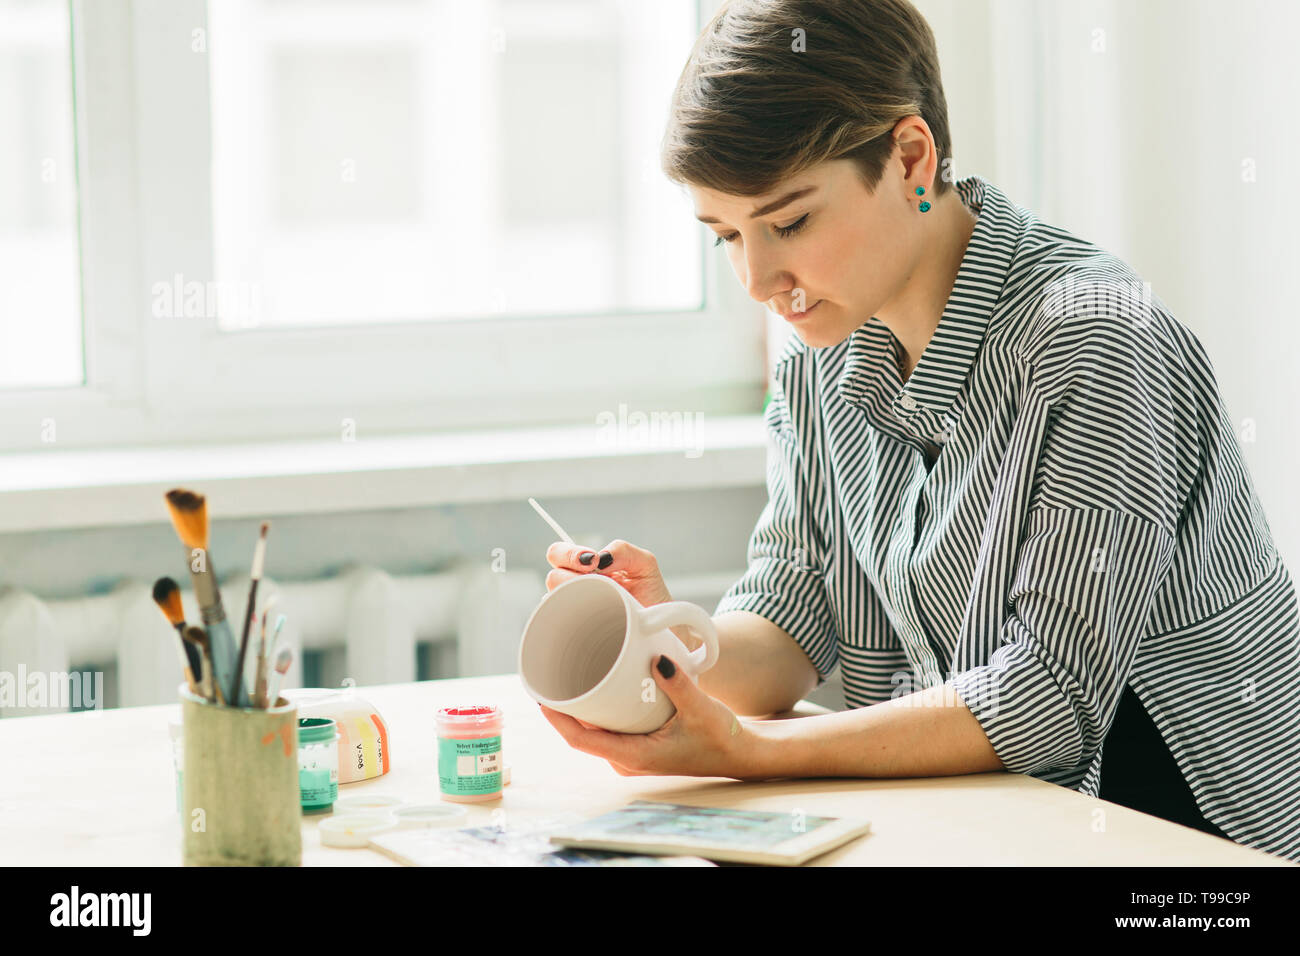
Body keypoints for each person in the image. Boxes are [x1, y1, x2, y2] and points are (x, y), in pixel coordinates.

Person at [540, 0, 1300, 862]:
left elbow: (1048, 698)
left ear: (910, 157)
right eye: (727, 237)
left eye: (788, 222)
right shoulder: (821, 360)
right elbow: (794, 617)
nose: (758, 279)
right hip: (991, 822)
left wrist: (754, 754)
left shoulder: (1097, 335)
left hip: (1190, 843)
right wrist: (667, 640)